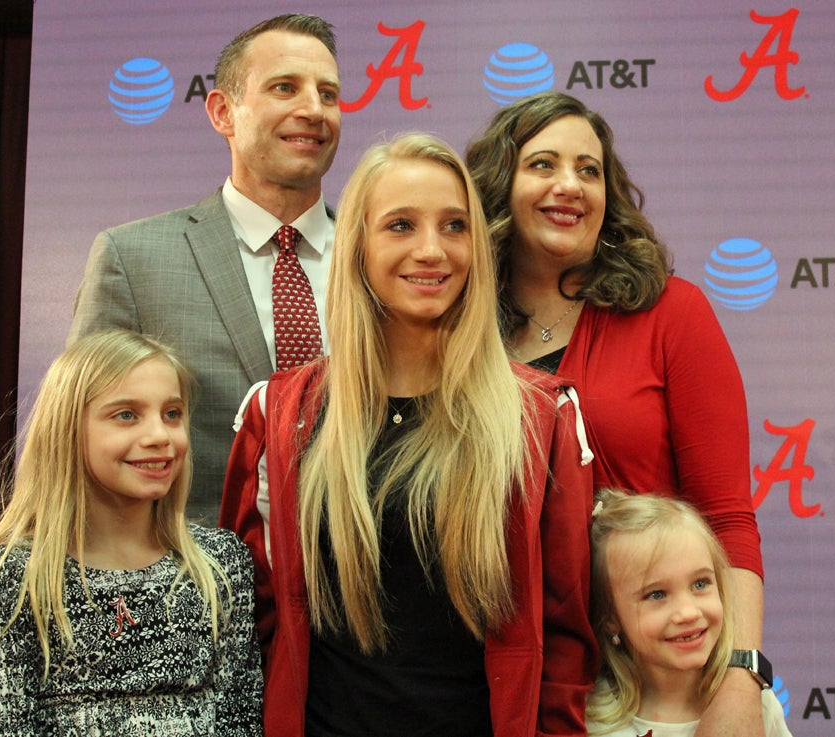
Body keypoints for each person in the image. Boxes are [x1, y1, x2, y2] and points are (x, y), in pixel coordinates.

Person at [220, 133, 599, 736]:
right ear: (357, 248)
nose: (432, 251)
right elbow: (254, 629)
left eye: (454, 226)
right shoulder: (279, 415)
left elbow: (565, 644)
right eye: (400, 226)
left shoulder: (541, 417)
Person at [466, 91, 767, 737]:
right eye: (543, 164)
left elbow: (728, 516)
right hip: (495, 680)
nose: (569, 185)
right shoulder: (459, 336)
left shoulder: (673, 315)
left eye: (589, 169)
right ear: (499, 187)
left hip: (655, 690)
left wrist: (741, 674)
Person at [68, 13, 341, 525]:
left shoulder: (383, 257)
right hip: (193, 585)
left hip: (368, 584)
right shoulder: (133, 259)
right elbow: (81, 440)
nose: (313, 109)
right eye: (285, 87)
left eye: (328, 94)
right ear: (222, 113)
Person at [0, 329, 262, 736]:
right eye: (126, 415)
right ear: (68, 430)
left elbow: (240, 722)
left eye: (172, 413)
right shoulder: (16, 574)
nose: (160, 436)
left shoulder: (220, 563)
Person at [586, 488, 791, 737]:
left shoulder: (756, 706)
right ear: (611, 618)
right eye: (657, 594)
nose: (688, 612)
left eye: (700, 584)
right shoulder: (593, 718)